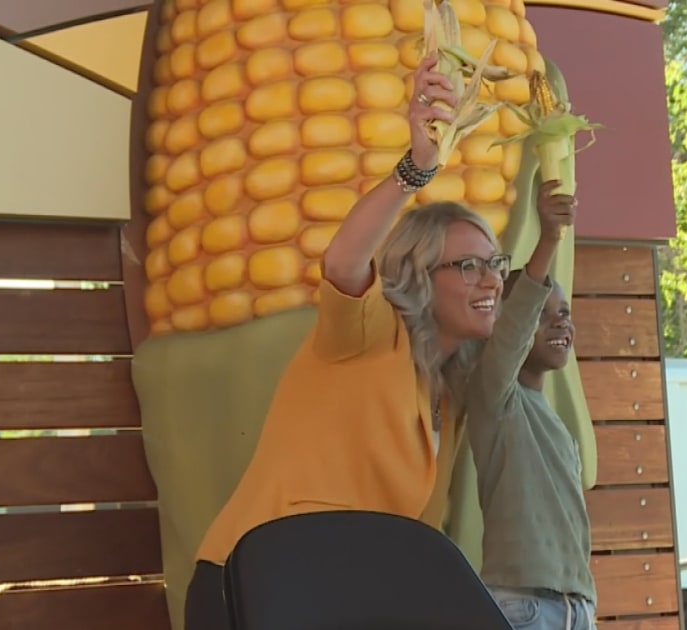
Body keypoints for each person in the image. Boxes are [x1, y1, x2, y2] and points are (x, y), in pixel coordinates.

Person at [183, 52, 511, 630]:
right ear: (417, 274)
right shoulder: (370, 331)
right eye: (469, 265)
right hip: (258, 585)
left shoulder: (451, 400)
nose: (491, 280)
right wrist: (416, 166)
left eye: (495, 264)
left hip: (347, 597)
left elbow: (416, 545)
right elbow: (344, 258)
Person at [465, 178, 595, 630]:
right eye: (543, 312)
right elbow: (512, 329)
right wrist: (550, 238)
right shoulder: (494, 396)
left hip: (576, 607)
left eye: (564, 313)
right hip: (524, 607)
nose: (560, 323)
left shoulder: (553, 422)